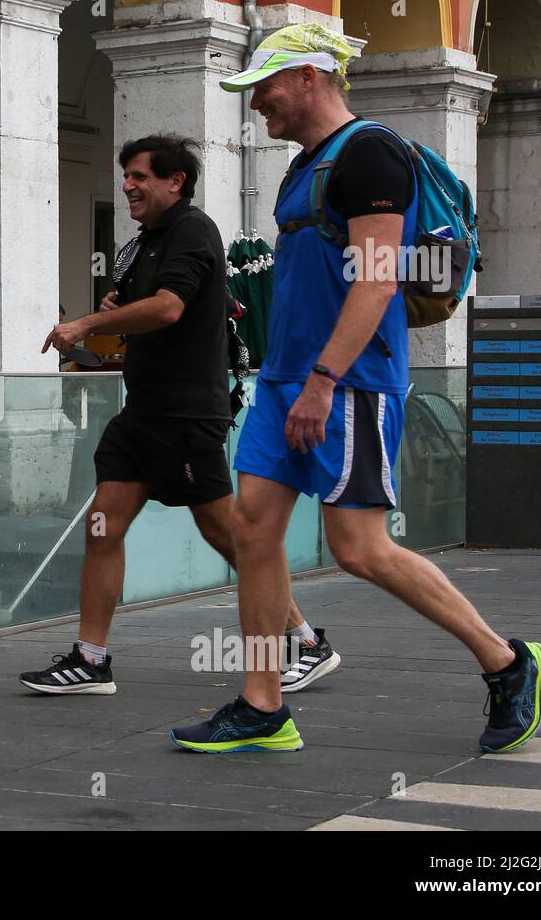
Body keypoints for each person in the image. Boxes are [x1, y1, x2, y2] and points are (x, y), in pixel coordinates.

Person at [171, 23, 541, 754]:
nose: (256, 104)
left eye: (266, 87)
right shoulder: (303, 166)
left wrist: (322, 382)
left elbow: (378, 279)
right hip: (287, 381)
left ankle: (508, 663)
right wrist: (288, 380)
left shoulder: (371, 153)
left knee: (360, 547)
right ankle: (262, 704)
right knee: (253, 530)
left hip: (348, 384)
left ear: (311, 77)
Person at [20, 134, 337, 696]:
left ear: (176, 181)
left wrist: (88, 323)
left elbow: (169, 307)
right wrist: (116, 313)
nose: (127, 186)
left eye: (140, 176)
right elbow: (144, 307)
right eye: (125, 176)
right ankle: (91, 660)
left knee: (228, 535)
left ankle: (307, 642)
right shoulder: (144, 242)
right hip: (141, 413)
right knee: (103, 524)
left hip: (186, 415)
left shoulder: (193, 230)